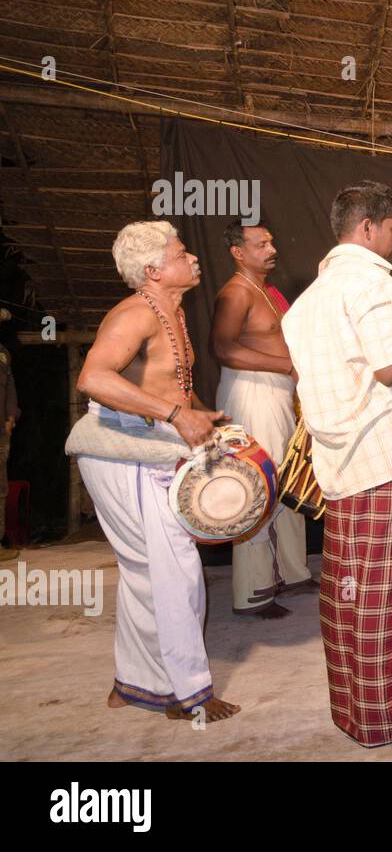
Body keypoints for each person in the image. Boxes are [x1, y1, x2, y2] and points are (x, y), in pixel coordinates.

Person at [282, 181, 392, 747]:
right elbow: (390, 368)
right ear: (367, 229)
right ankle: (385, 719)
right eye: (390, 231)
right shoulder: (369, 282)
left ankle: (363, 708)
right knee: (387, 595)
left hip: (343, 459)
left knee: (353, 592)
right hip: (386, 458)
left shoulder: (312, 296)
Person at [71, 221, 239, 721]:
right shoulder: (133, 314)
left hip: (140, 449)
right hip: (124, 452)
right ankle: (189, 694)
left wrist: (200, 416)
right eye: (181, 252)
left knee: (146, 572)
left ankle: (132, 684)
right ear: (153, 270)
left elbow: (172, 389)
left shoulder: (171, 311)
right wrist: (174, 417)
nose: (192, 259)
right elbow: (93, 378)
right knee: (176, 572)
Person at [211, 220, 315, 618]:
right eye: (261, 244)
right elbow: (222, 349)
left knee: (287, 481)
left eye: (272, 241)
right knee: (257, 485)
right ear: (239, 252)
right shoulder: (235, 293)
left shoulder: (266, 291)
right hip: (251, 392)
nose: (271, 249)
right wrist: (286, 364)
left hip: (277, 393)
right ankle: (252, 592)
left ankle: (292, 572)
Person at [0, 344, 18, 561]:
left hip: (0, 432)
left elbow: (10, 387)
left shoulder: (3, 352)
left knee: (0, 487)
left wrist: (11, 417)